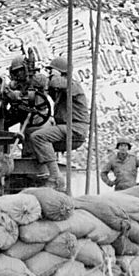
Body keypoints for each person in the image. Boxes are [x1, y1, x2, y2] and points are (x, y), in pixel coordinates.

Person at [26, 56, 90, 191]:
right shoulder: (62, 90)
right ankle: (37, 171)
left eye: (52, 71)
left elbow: (55, 82)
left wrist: (50, 76)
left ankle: (55, 176)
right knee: (30, 133)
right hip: (67, 128)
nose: (50, 74)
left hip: (75, 128)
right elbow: (47, 90)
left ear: (61, 72)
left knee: (39, 137)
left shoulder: (72, 85)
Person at [2, 54, 51, 130]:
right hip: (25, 120)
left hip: (40, 117)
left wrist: (29, 74)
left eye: (21, 70)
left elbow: (39, 81)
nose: (19, 73)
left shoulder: (39, 78)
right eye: (16, 71)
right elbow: (8, 92)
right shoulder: (14, 84)